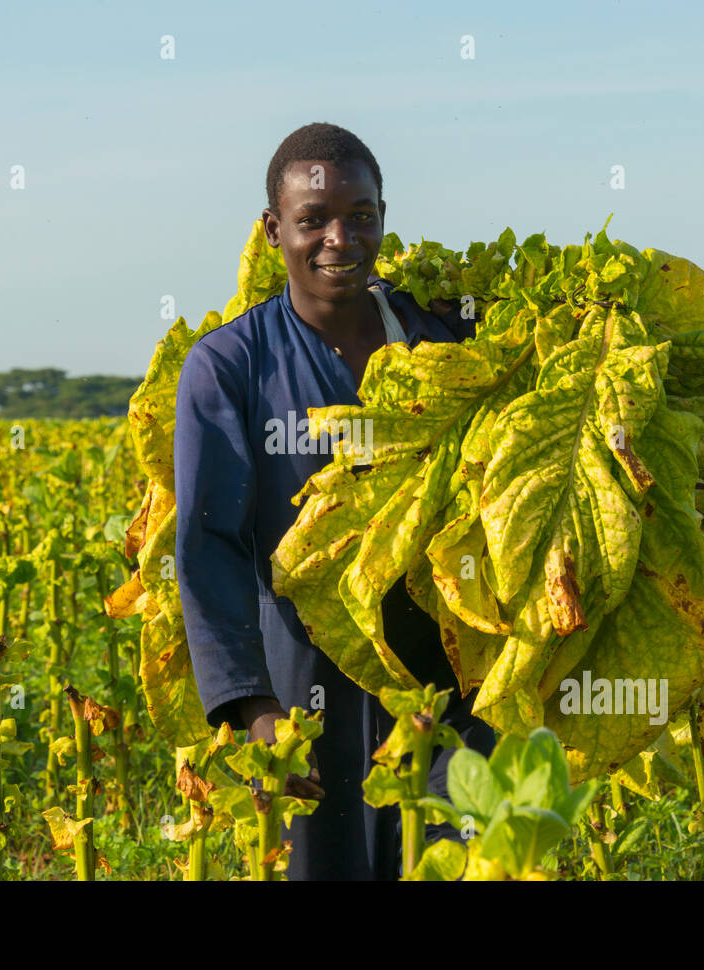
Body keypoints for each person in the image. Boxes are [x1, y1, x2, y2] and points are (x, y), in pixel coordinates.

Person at [173, 122, 494, 880]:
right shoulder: (229, 364)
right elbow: (210, 545)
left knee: (458, 864)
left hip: (450, 683)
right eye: (313, 220)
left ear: (384, 217)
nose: (338, 238)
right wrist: (255, 713)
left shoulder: (449, 341)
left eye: (360, 215)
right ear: (274, 229)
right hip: (305, 686)